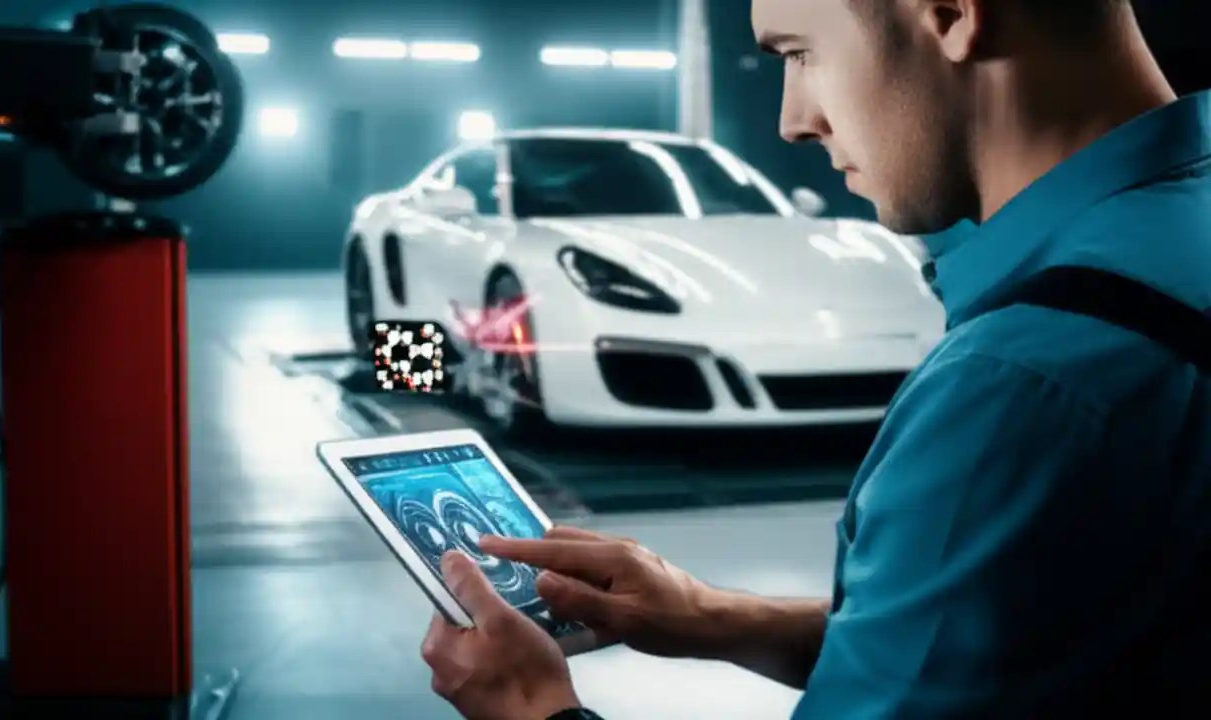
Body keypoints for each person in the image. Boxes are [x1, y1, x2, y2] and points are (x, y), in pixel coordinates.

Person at [419, 0, 1211, 717]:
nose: (794, 122)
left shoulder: (1017, 386)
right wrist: (710, 617)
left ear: (950, 11)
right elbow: (1045, 634)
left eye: (801, 53)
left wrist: (533, 709)